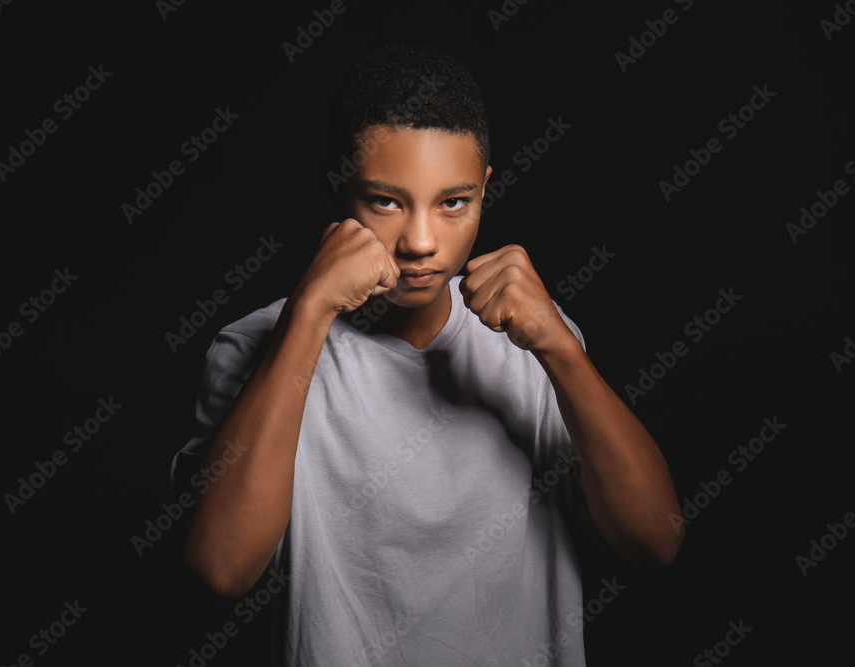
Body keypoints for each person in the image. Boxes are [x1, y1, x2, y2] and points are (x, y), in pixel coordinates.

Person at [171, 43, 684, 666]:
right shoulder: (254, 346)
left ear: (485, 190)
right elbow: (220, 569)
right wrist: (308, 316)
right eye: (386, 200)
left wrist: (562, 351)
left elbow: (655, 542)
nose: (420, 242)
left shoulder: (536, 341)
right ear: (336, 188)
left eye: (453, 203)